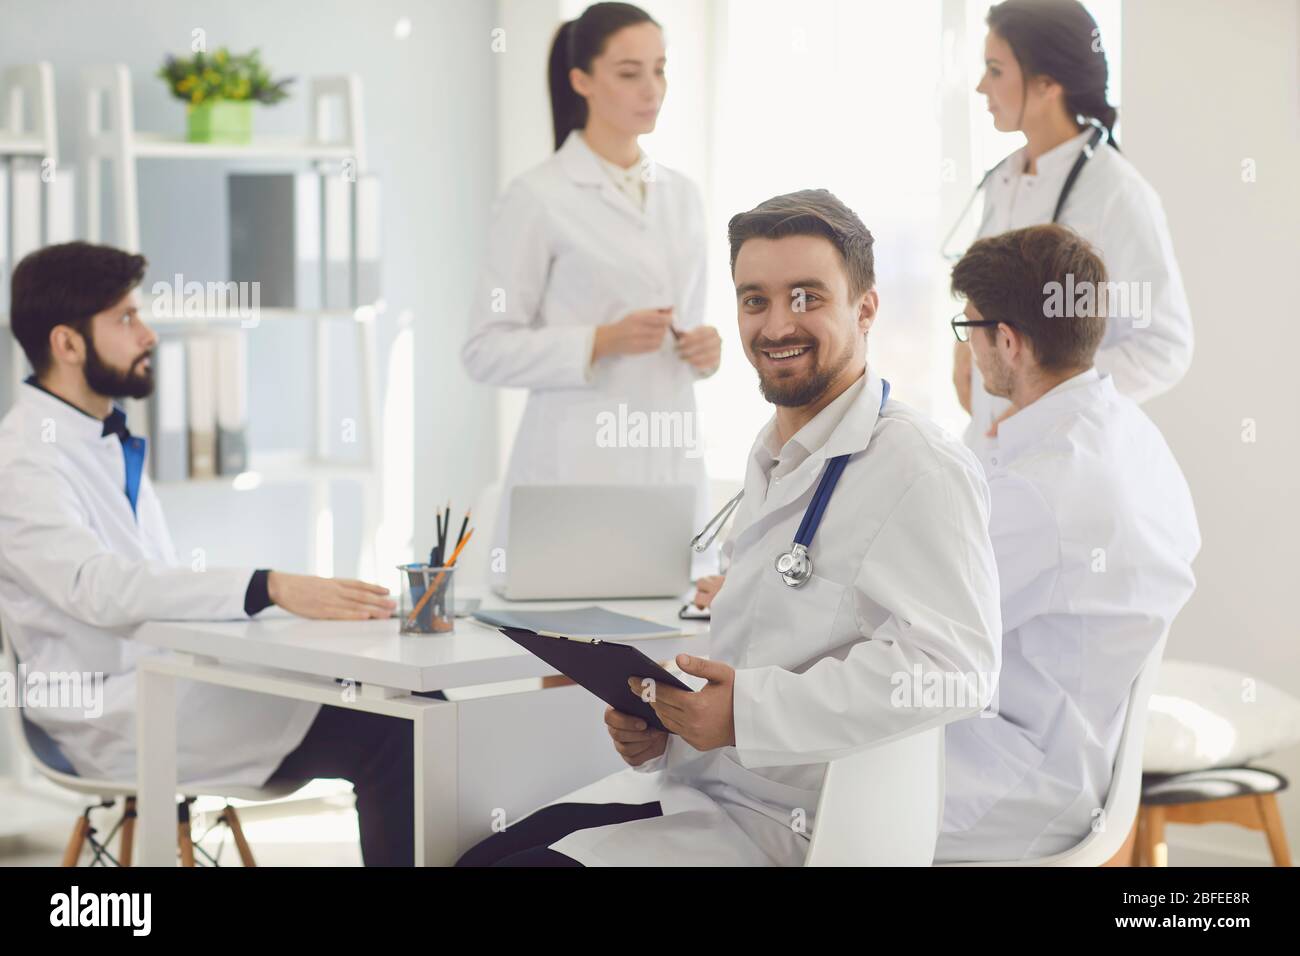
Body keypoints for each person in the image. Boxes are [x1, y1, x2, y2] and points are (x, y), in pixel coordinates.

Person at [457, 190, 1002, 866]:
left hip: (799, 826)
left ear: (866, 308)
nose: (776, 326)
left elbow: (956, 671)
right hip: (711, 793)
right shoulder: (775, 451)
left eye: (806, 297)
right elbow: (766, 646)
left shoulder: (919, 467)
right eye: (754, 300)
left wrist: (747, 712)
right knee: (477, 856)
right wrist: (670, 727)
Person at [0, 241, 415, 866]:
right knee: (392, 734)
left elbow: (151, 581)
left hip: (164, 680)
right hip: (107, 715)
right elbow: (97, 586)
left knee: (408, 704)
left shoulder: (101, 436)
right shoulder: (25, 457)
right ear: (67, 344)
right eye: (125, 319)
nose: (148, 335)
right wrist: (266, 586)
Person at [938, 224, 1199, 861]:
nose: (967, 348)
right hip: (1077, 755)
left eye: (968, 327)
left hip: (1012, 781)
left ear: (1007, 341)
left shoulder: (1044, 488)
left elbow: (922, 620)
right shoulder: (1129, 432)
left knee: (783, 785)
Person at [461, 2, 721, 586]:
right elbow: (483, 348)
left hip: (668, 466)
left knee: (670, 658)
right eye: (630, 73)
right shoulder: (538, 196)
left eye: (660, 69)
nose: (652, 89)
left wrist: (705, 352)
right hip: (575, 470)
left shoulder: (682, 196)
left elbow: (684, 328)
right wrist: (598, 341)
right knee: (572, 658)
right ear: (582, 81)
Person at [952, 0, 1193, 455]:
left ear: (1047, 83)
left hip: (1065, 450)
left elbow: (1163, 346)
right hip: (989, 448)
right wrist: (967, 346)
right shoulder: (1003, 180)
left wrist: (1052, 392)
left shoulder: (1117, 194)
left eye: (996, 70)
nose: (982, 85)